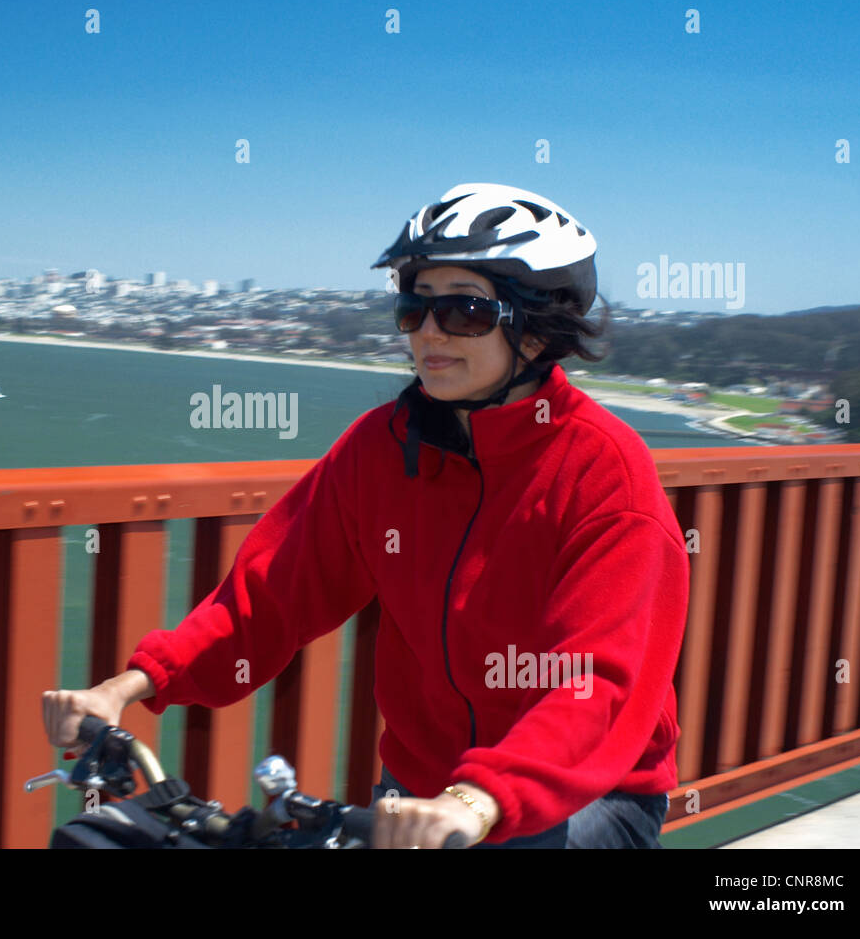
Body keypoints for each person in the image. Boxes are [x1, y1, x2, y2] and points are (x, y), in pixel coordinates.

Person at [42, 182, 688, 848]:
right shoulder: (383, 450)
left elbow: (594, 682)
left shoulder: (604, 471)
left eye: (464, 311)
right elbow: (267, 598)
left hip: (579, 789)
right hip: (422, 790)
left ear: (537, 330)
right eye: (416, 307)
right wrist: (129, 687)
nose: (429, 332)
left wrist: (480, 797)